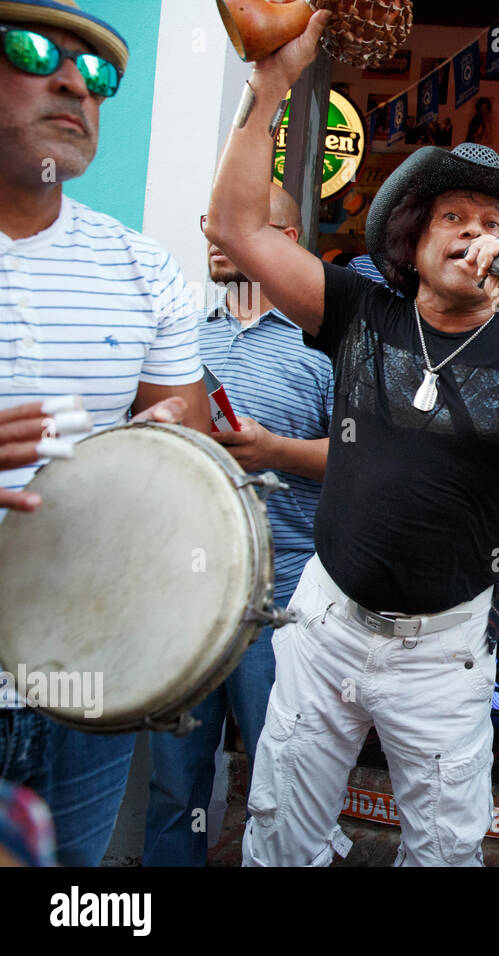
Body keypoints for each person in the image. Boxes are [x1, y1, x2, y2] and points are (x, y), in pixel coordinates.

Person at [203, 10, 499, 866]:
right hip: (326, 628)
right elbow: (237, 229)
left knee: (444, 851)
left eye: (493, 222)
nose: (475, 235)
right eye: (453, 218)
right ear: (413, 240)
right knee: (279, 833)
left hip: (443, 652)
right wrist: (272, 86)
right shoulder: (359, 310)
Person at [0, 0, 207, 867]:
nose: (74, 84)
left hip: (90, 660)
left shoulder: (142, 266)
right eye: (34, 50)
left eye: (99, 76)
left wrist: (162, 455)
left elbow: (182, 437)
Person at [142, 185, 333, 866]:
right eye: (212, 225)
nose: (217, 237)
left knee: (282, 782)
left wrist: (276, 450)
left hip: (280, 598)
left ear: (282, 239)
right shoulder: (179, 338)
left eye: (238, 224)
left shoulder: (324, 350)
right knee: (175, 784)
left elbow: (361, 462)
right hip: (186, 598)